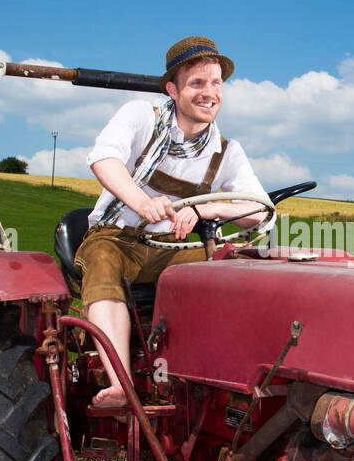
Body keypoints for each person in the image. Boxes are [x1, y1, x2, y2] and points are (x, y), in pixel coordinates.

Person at [75, 35, 268, 406]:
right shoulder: (140, 117)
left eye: (215, 83)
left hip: (173, 249)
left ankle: (230, 380)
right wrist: (141, 200)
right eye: (196, 83)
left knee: (235, 267)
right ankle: (120, 385)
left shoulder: (226, 151)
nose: (209, 93)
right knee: (102, 263)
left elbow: (258, 209)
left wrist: (204, 210)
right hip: (118, 239)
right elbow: (103, 159)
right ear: (172, 90)